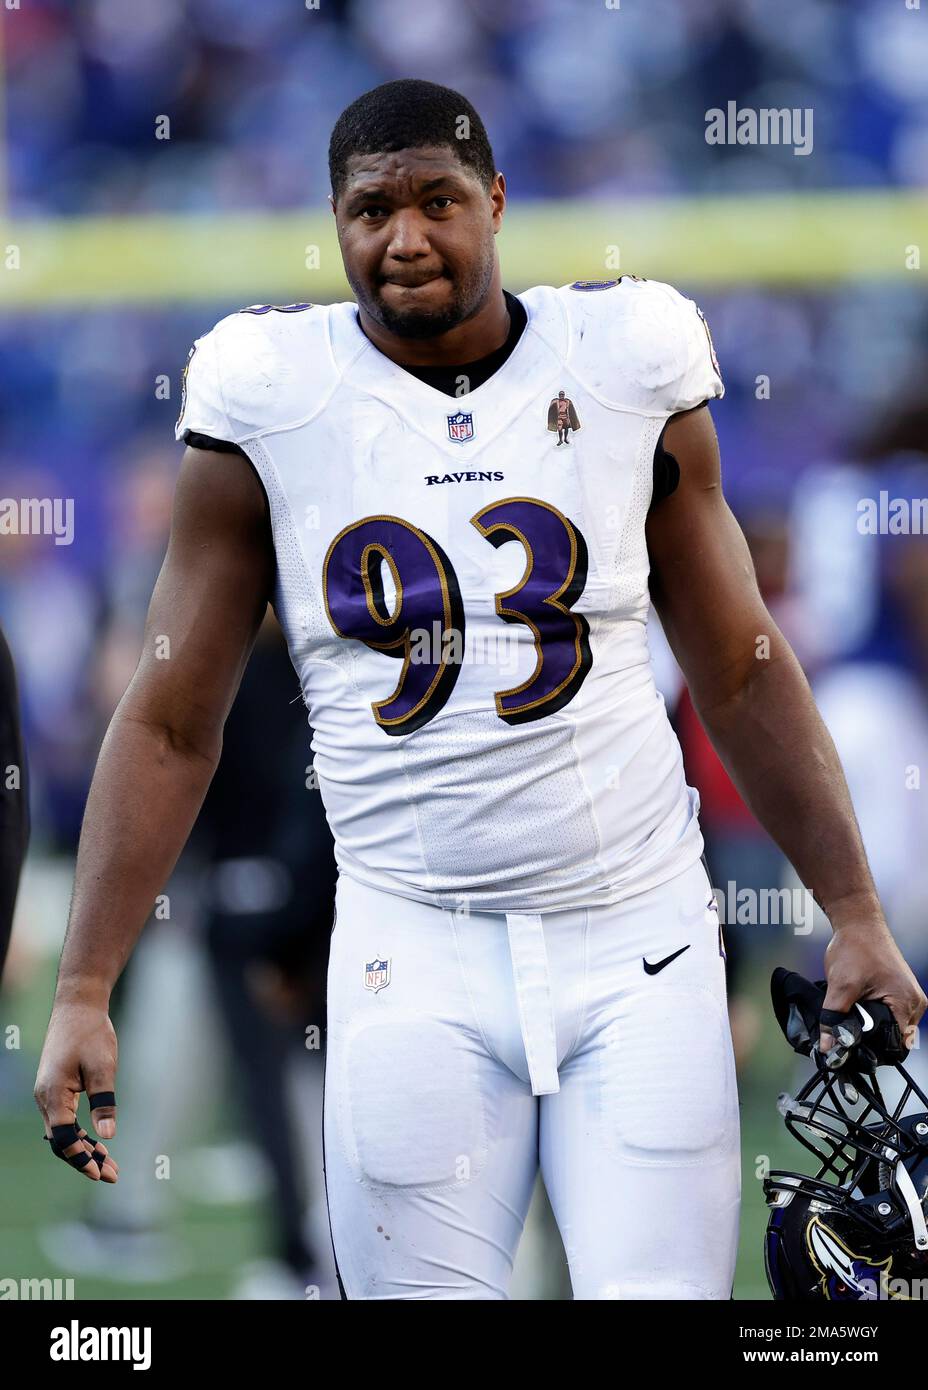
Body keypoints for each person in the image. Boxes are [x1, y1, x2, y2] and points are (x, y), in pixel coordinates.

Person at [34, 78, 925, 1301]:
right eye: (371, 208)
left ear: (495, 201)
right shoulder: (269, 394)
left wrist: (855, 909)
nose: (405, 238)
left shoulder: (623, 359)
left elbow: (740, 667)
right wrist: (83, 985)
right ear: (332, 221)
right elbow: (173, 716)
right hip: (412, 946)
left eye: (438, 201)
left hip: (638, 942)